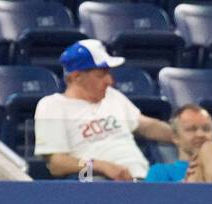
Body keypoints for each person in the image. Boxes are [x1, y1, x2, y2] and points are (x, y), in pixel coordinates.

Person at [34, 39, 175, 181]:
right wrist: (101, 166)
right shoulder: (52, 105)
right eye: (101, 75)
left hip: (142, 179)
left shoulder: (112, 96)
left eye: (108, 73)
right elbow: (56, 165)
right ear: (77, 76)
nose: (110, 81)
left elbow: (146, 126)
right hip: (96, 182)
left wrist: (181, 135)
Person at [144, 105, 212, 183]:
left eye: (206, 129)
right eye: (191, 129)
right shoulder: (160, 172)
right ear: (175, 137)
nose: (200, 134)